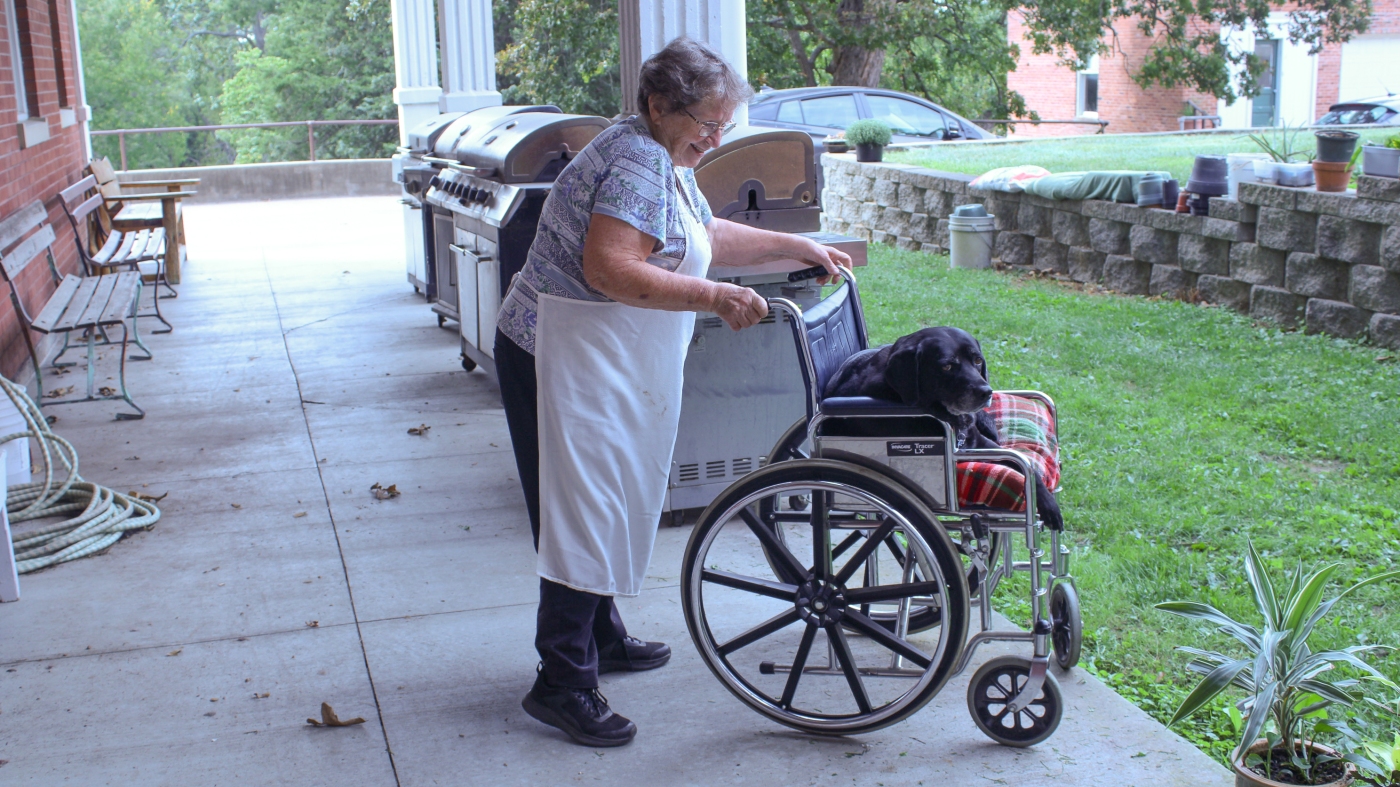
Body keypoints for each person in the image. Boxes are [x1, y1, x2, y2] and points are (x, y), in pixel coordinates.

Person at [493, 37, 852, 748]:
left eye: (725, 126)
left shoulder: (660, 153)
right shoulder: (633, 157)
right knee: (584, 505)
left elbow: (698, 231)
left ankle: (599, 632)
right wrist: (716, 298)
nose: (717, 139)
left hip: (595, 353)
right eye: (708, 125)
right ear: (660, 106)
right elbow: (610, 268)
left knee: (615, 490)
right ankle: (562, 679)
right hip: (559, 351)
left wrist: (794, 247)